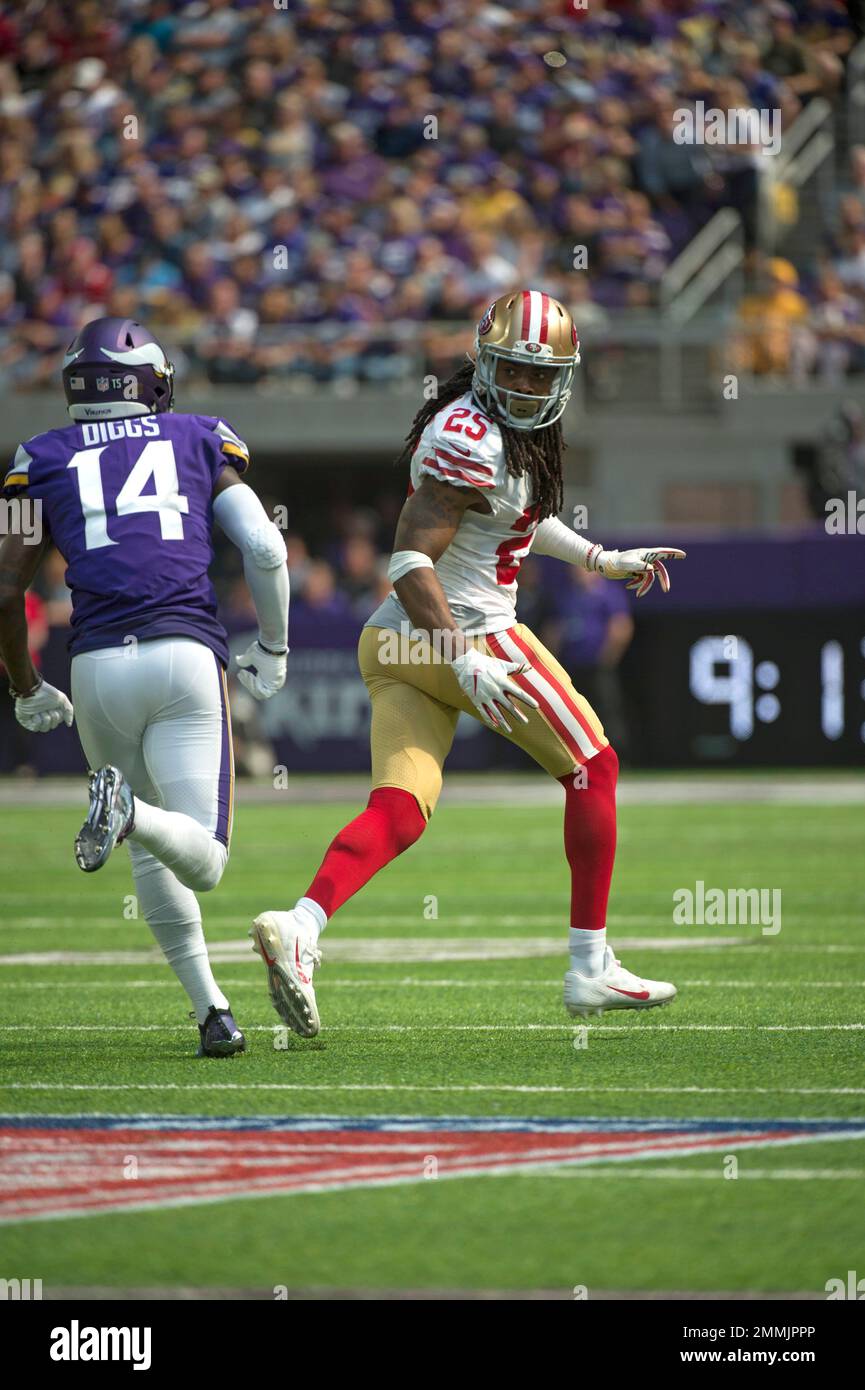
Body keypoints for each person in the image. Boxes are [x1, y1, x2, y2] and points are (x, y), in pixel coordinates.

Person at [249, 289, 684, 1036]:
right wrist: (462, 656)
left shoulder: (497, 438)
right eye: (515, 372)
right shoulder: (466, 438)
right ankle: (589, 965)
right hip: (461, 634)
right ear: (484, 365)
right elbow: (409, 559)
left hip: (393, 646)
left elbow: (516, 517)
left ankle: (301, 925)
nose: (528, 388)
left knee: (400, 810)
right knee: (594, 768)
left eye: (541, 376)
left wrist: (599, 557)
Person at [0, 316, 289, 1056]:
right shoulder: (197, 434)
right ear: (151, 383)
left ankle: (212, 1014)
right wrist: (276, 645)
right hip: (182, 654)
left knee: (152, 856)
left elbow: (5, 589)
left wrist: (27, 687)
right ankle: (128, 812)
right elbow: (261, 543)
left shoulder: (39, 455)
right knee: (206, 858)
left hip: (94, 666)